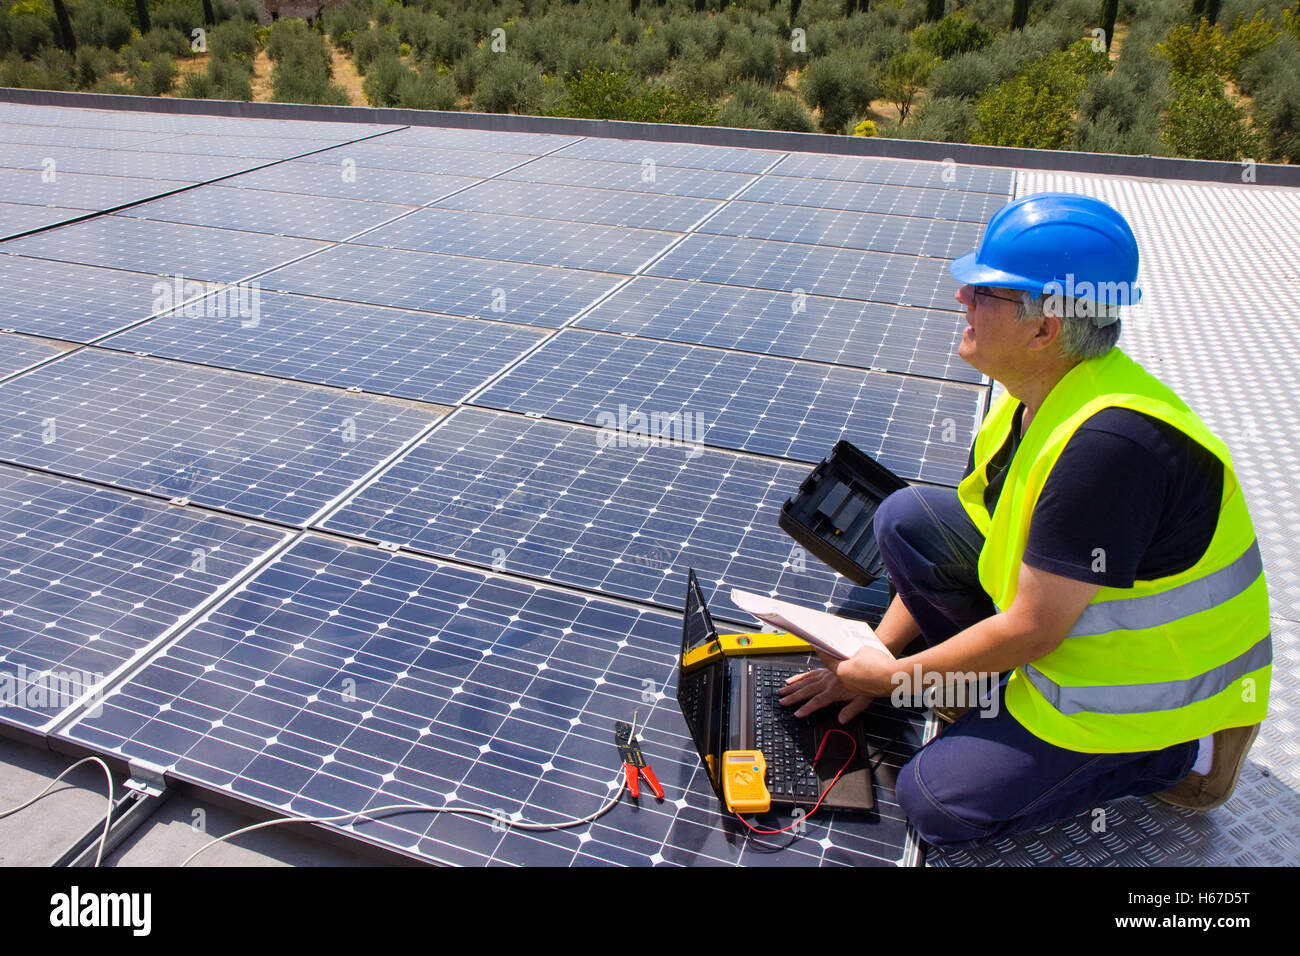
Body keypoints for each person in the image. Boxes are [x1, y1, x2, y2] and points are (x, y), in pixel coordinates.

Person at [779, 192, 1271, 848]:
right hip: (1068, 633)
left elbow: (1035, 627)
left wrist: (896, 683)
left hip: (1142, 702)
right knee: (903, 517)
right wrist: (876, 652)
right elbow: (988, 536)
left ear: (1046, 329)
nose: (963, 300)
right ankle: (992, 694)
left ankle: (1185, 759)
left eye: (984, 291)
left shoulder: (1109, 448)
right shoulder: (1035, 398)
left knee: (934, 802)